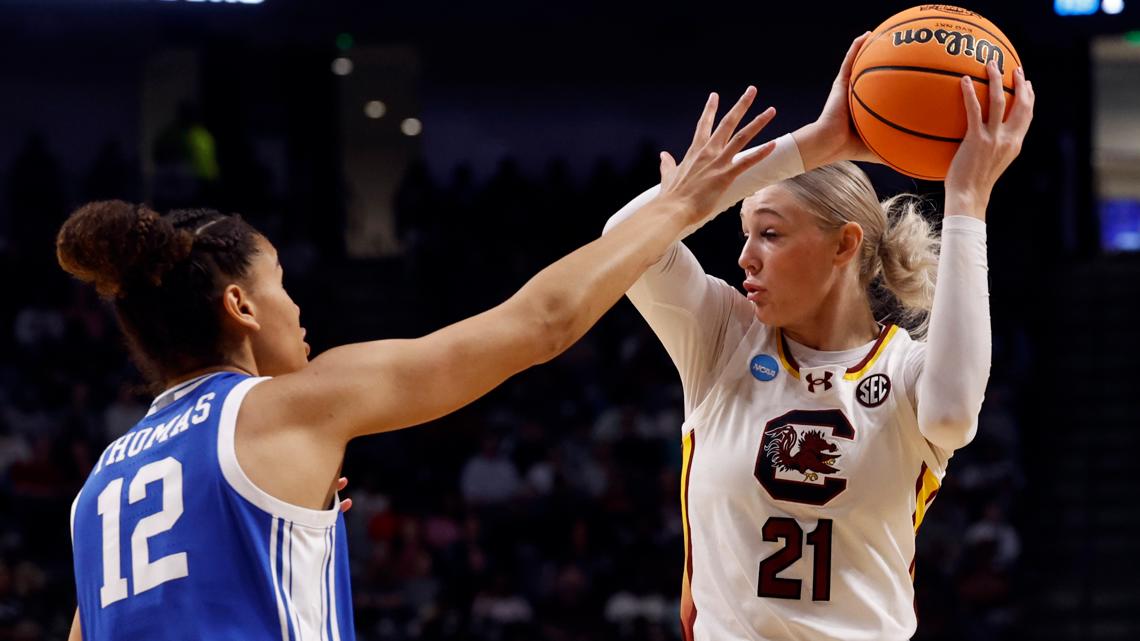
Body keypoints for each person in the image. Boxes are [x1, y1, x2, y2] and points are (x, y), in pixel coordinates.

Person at [58, 87, 778, 640]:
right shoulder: (292, 403)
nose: (298, 307)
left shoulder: (100, 482)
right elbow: (541, 323)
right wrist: (680, 205)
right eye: (281, 282)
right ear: (241, 306)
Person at [602, 34, 1034, 640]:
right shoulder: (723, 336)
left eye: (770, 234)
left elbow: (956, 415)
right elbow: (624, 238)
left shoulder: (909, 374)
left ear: (844, 244)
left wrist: (967, 200)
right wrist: (815, 143)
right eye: (744, 234)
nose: (745, 258)